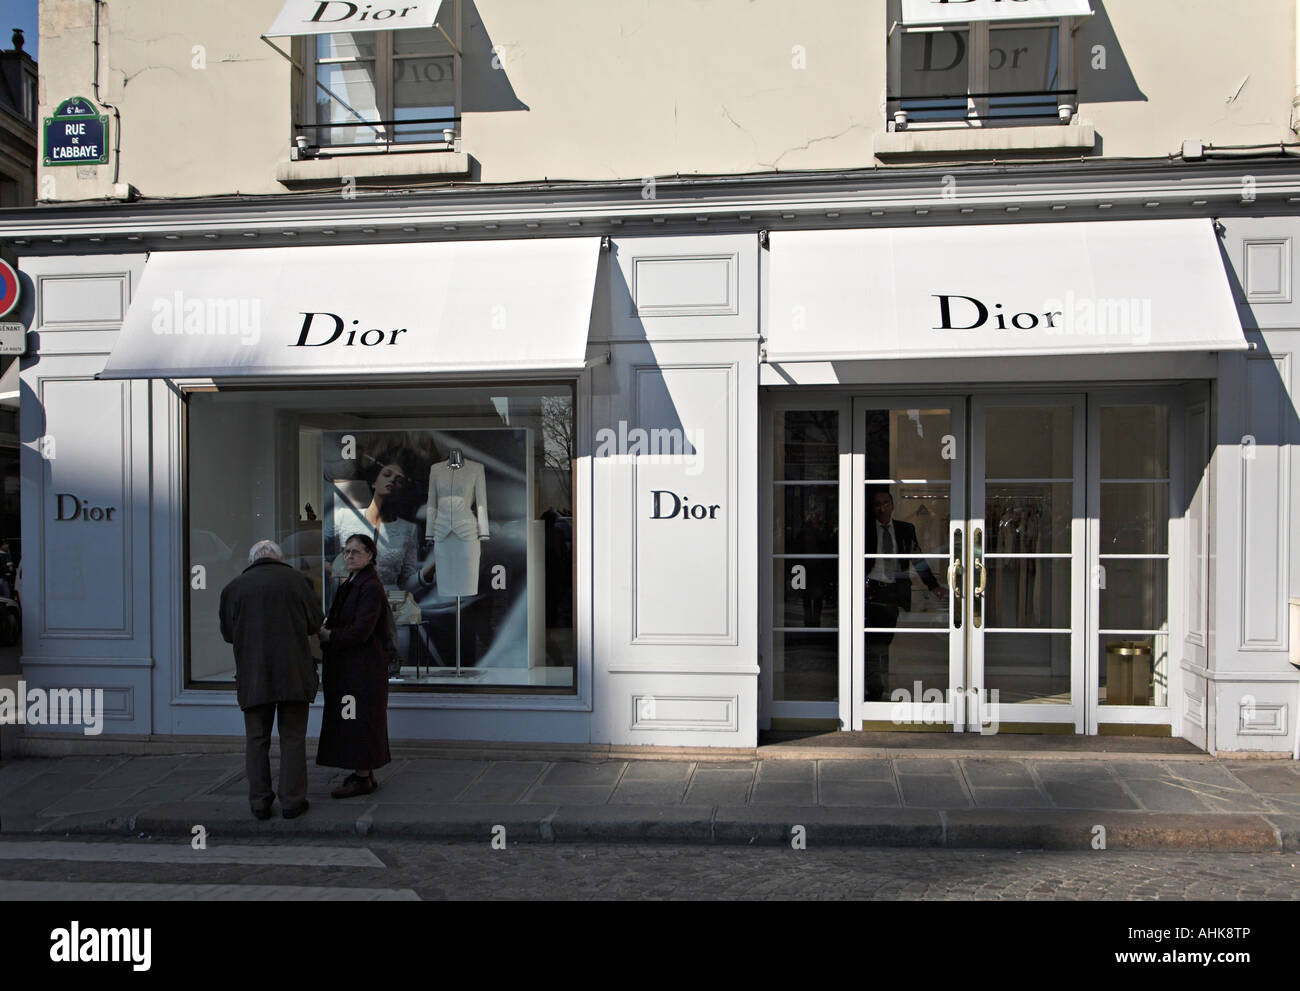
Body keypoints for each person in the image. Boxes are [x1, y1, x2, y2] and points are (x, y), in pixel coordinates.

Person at [219, 540, 324, 820]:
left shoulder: (234, 587)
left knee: (256, 739)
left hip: (253, 674)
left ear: (253, 560)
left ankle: (260, 802)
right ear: (279, 558)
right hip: (293, 672)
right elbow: (315, 624)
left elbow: (228, 634)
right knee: (292, 738)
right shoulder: (299, 581)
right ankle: (292, 801)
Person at [317, 532, 392, 797]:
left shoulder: (369, 586)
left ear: (370, 555)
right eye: (347, 551)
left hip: (362, 668)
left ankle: (362, 777)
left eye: (356, 552)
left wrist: (330, 635)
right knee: (355, 720)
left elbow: (362, 630)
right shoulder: (354, 581)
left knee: (360, 720)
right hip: (352, 666)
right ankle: (363, 772)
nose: (349, 556)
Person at [864, 489, 945, 702]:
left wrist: (933, 586)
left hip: (893, 592)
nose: (881, 508)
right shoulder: (864, 529)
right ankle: (874, 687)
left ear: (892, 505)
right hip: (870, 591)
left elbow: (917, 559)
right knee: (872, 643)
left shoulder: (905, 529)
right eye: (877, 504)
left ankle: (877, 680)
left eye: (885, 503)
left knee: (885, 641)